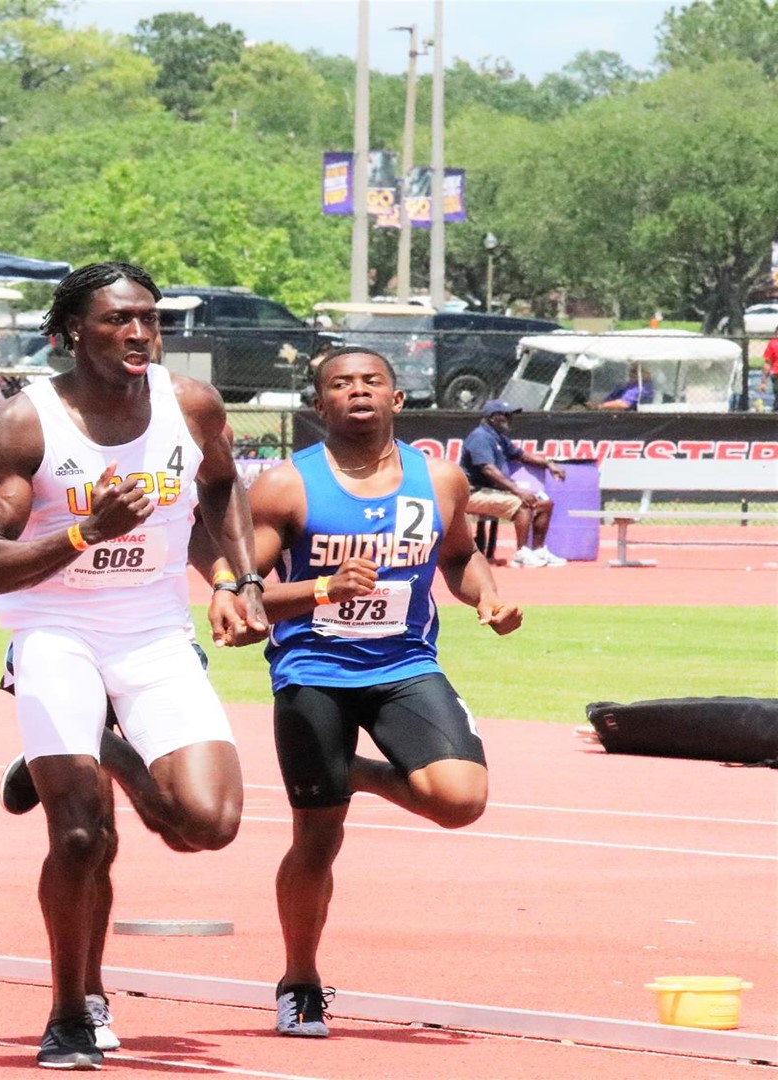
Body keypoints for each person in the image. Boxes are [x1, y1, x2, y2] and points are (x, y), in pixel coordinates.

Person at [0, 262, 266, 1070]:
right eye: (116, 321)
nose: (138, 333)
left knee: (206, 822)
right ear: (71, 332)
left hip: (154, 631)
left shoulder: (190, 405)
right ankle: (70, 1011)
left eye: (148, 320)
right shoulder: (25, 425)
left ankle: (110, 748)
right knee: (82, 836)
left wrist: (236, 579)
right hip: (56, 630)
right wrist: (82, 534)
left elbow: (222, 489)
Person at [223, 345, 521, 1038]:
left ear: (397, 399)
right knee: (317, 839)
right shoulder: (285, 486)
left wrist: (489, 599)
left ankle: (348, 773)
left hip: (405, 667)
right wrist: (323, 587)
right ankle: (300, 981)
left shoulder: (439, 479)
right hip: (313, 674)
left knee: (461, 800)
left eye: (371, 381)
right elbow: (249, 594)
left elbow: (458, 556)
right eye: (339, 384)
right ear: (318, 404)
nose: (356, 392)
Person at [459, 399, 567, 567]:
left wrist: (548, 463)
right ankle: (521, 553)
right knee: (522, 503)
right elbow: (488, 469)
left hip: (492, 492)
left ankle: (538, 551)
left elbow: (521, 455)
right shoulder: (480, 437)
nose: (511, 419)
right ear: (493, 417)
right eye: (507, 415)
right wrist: (518, 491)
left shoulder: (498, 437)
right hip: (473, 494)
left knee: (545, 504)